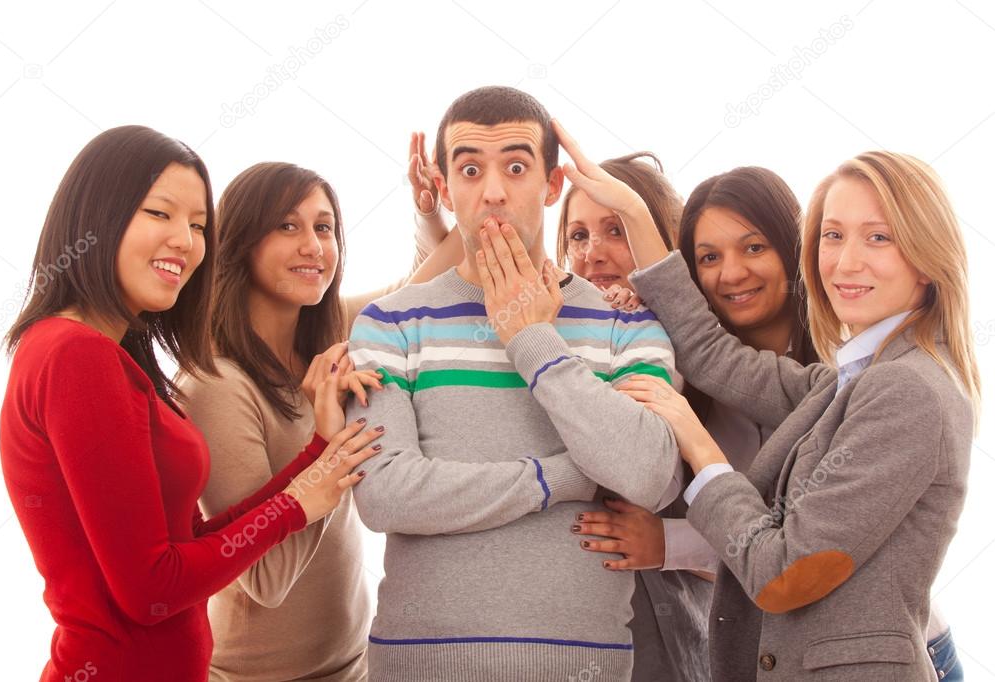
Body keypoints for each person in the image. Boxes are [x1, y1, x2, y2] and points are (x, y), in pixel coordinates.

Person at [559, 121, 978, 679]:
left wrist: (697, 445)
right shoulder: (849, 379)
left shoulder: (903, 388)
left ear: (927, 255)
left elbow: (782, 572)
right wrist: (636, 218)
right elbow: (712, 354)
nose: (847, 262)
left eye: (878, 237)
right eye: (833, 236)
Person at [0, 125, 381, 681]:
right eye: (160, 213)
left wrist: (318, 453)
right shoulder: (75, 357)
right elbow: (152, 588)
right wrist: (299, 503)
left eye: (198, 225)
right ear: (95, 217)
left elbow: (190, 543)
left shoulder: (98, 353)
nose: (185, 240)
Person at [346, 85, 683, 681]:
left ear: (553, 186)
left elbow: (650, 478)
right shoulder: (388, 323)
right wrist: (565, 474)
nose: (494, 191)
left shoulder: (628, 323)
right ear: (445, 190)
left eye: (517, 166)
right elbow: (385, 495)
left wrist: (533, 342)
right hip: (417, 667)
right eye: (470, 169)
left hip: (585, 667)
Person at [177, 158, 461, 681]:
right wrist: (327, 445)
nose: (313, 246)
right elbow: (266, 578)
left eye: (324, 227)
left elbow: (422, 284)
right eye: (288, 226)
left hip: (353, 663)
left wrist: (436, 208)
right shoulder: (217, 386)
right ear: (240, 242)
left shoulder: (334, 331)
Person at [555, 152, 713, 682]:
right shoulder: (549, 331)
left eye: (615, 230)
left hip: (672, 626)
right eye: (577, 235)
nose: (592, 254)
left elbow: (768, 539)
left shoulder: (699, 346)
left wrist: (667, 544)